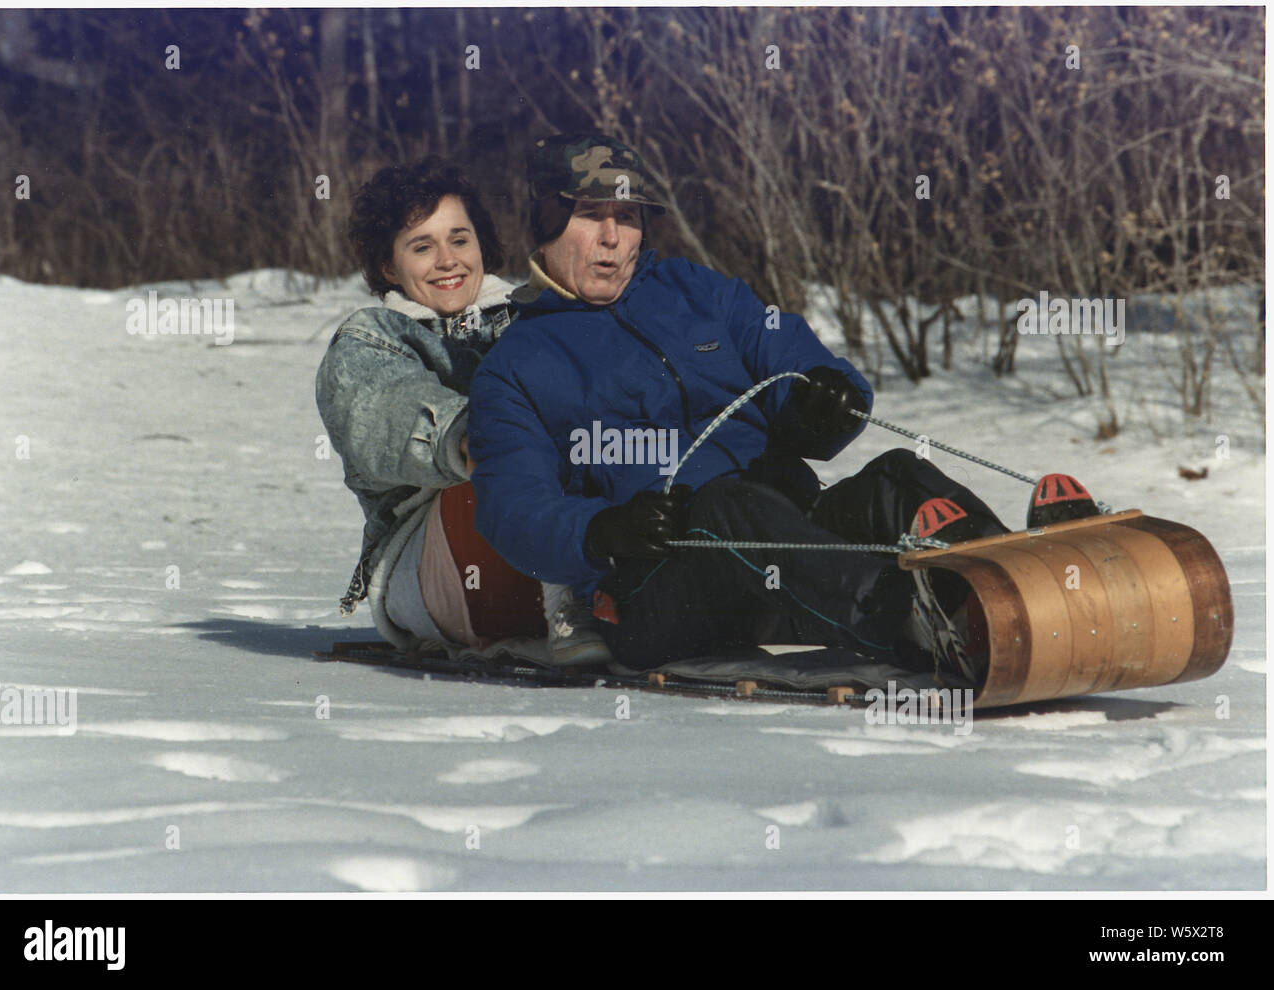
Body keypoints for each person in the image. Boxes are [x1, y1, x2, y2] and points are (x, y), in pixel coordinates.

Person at [466, 134, 1098, 682]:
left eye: (628, 216)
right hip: (655, 585)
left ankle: (1026, 589)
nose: (612, 238)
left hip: (785, 534)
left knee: (896, 476)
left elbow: (795, 360)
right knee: (725, 507)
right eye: (590, 215)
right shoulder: (518, 362)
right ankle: (916, 621)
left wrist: (822, 405)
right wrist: (602, 532)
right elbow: (510, 510)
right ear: (547, 221)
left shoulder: (698, 293)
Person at [316, 158, 605, 660]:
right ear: (389, 266)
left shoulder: (535, 320)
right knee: (505, 459)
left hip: (545, 541)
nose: (447, 260)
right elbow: (392, 409)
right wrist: (474, 437)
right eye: (422, 247)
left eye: (459, 239)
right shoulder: (370, 340)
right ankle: (572, 608)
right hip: (434, 563)